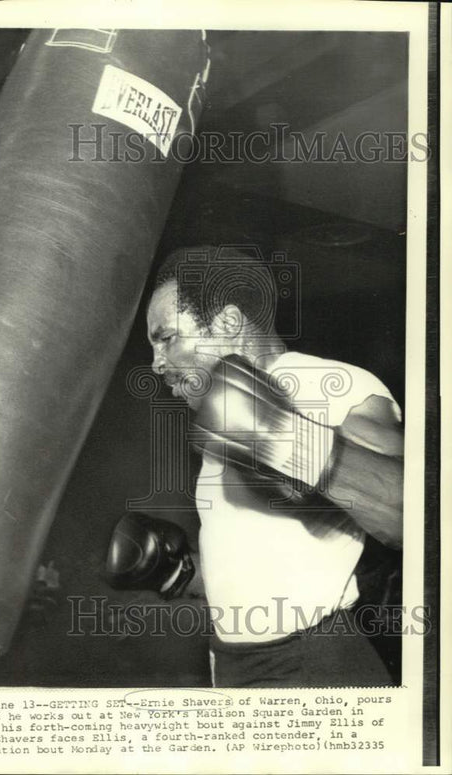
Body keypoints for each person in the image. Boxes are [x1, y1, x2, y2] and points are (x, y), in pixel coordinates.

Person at [107, 244, 404, 688]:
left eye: (167, 338)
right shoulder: (222, 421)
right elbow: (266, 570)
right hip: (234, 665)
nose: (156, 364)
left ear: (227, 322)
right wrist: (179, 572)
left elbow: (414, 514)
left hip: (309, 664)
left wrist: (284, 438)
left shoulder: (324, 384)